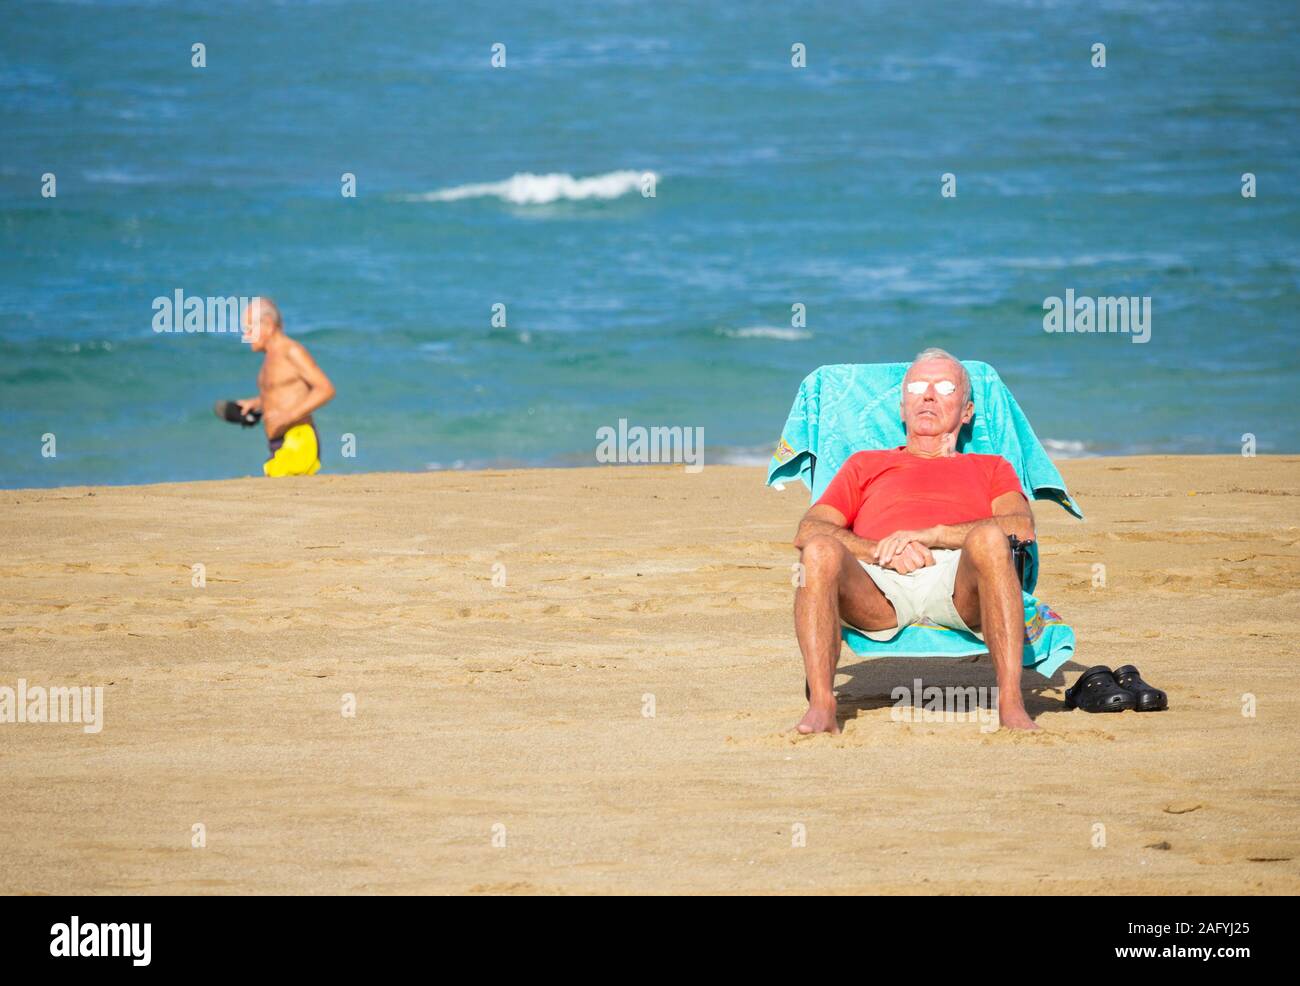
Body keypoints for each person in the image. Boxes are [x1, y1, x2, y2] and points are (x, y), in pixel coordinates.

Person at [792, 347, 1038, 734]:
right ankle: (822, 705)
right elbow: (808, 530)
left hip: (960, 579)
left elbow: (1020, 526)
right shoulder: (865, 463)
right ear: (903, 409)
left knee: (992, 537)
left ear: (967, 411)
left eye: (944, 387)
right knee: (818, 551)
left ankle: (1011, 702)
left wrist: (935, 535)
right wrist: (879, 550)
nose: (928, 396)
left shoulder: (990, 466)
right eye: (917, 387)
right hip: (878, 582)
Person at [236, 298, 335, 477]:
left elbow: (325, 388)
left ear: (267, 324)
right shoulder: (270, 358)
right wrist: (256, 403)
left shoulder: (291, 351)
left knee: (272, 480)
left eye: (249, 329)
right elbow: (283, 394)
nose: (246, 335)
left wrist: (288, 417)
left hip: (300, 438)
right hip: (278, 442)